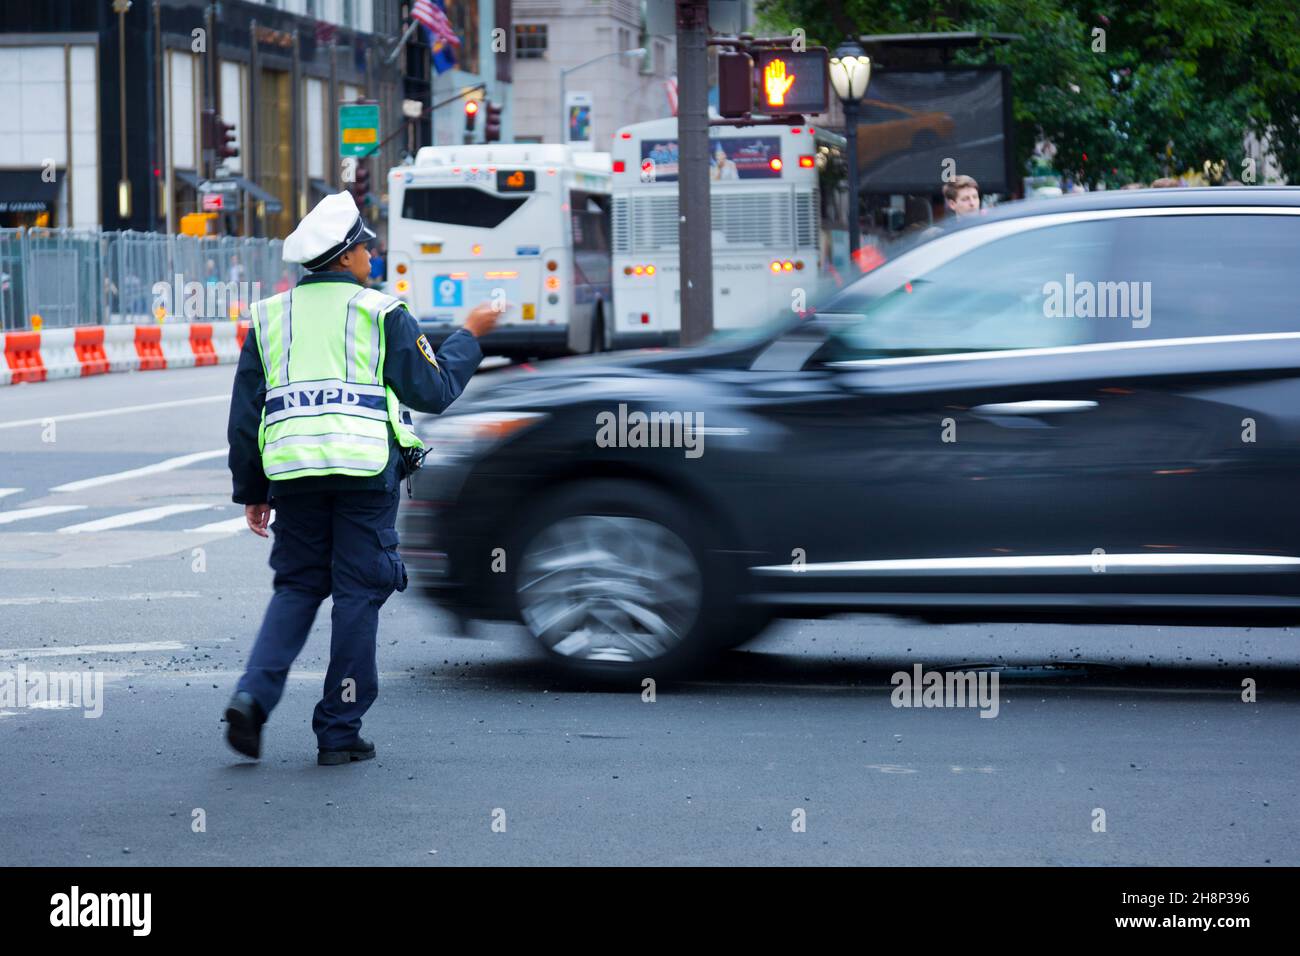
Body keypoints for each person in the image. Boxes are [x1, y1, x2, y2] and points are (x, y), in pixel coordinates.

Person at [222, 191, 500, 766]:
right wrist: (470, 334)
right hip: (363, 473)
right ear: (346, 257)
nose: (373, 255)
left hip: (294, 476)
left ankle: (252, 697)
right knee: (357, 593)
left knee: (297, 587)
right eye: (367, 247)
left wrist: (252, 491)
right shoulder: (381, 312)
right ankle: (339, 730)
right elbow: (434, 390)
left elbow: (246, 414)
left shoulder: (269, 317)